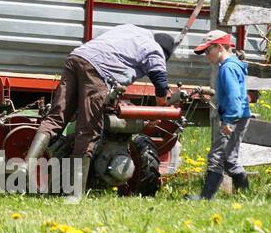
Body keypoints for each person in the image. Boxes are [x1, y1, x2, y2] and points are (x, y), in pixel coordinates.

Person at [25, 24, 178, 192]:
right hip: (97, 71)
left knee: (55, 118)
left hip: (77, 57)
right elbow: (161, 84)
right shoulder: (155, 50)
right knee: (87, 132)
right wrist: (161, 109)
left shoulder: (131, 30)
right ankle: (75, 193)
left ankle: (26, 166)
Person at [193, 29, 251, 200]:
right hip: (239, 117)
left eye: (207, 50)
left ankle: (205, 197)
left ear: (219, 47)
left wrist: (228, 121)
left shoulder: (227, 69)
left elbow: (234, 98)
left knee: (216, 156)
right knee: (229, 160)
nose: (206, 55)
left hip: (233, 118)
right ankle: (245, 196)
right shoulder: (231, 66)